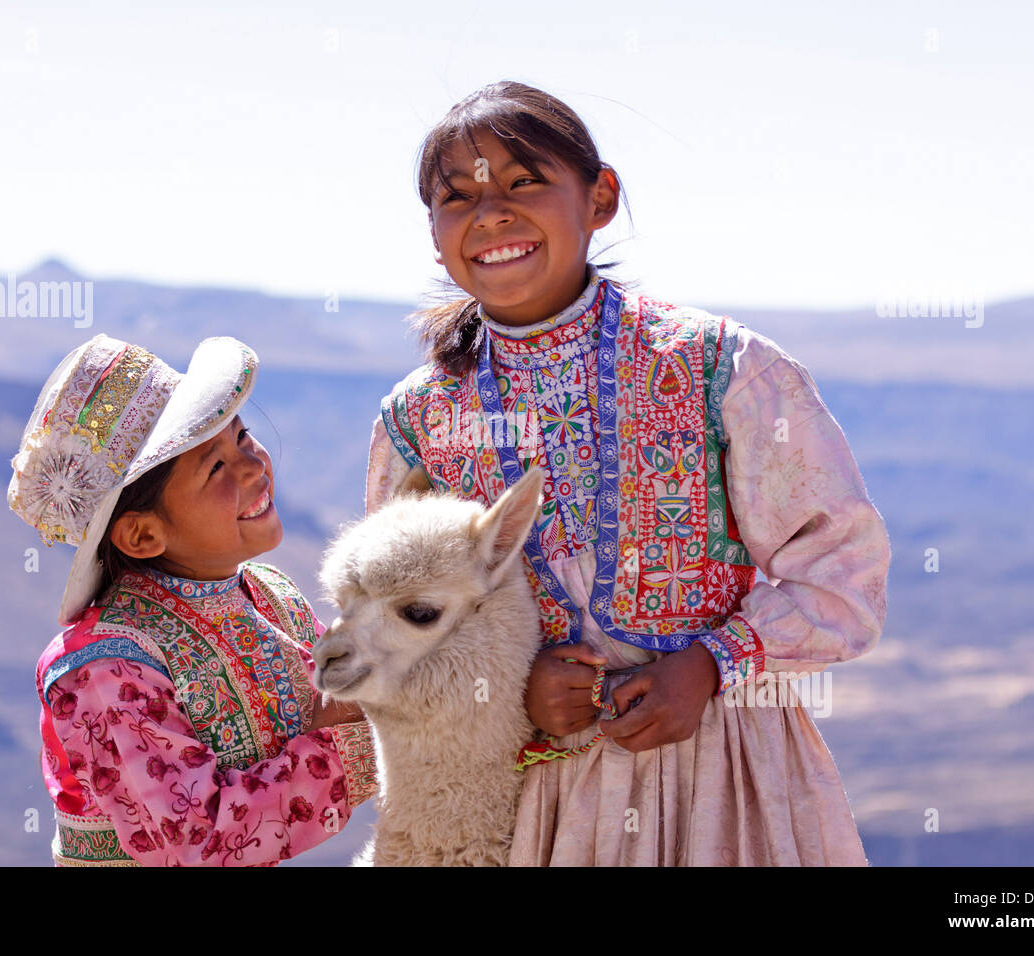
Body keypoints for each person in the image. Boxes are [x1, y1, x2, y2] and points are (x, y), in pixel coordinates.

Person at [367, 81, 891, 865]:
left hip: (729, 784)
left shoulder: (724, 370)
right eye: (456, 197)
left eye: (524, 181)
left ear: (601, 197)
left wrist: (713, 665)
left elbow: (844, 575)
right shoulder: (417, 422)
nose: (492, 213)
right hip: (537, 808)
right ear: (434, 234)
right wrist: (514, 690)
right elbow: (391, 643)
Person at [9, 333, 377, 866]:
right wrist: (348, 739)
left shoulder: (273, 597)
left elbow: (356, 695)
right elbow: (195, 840)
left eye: (243, 437)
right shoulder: (101, 669)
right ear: (141, 536)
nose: (253, 466)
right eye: (215, 467)